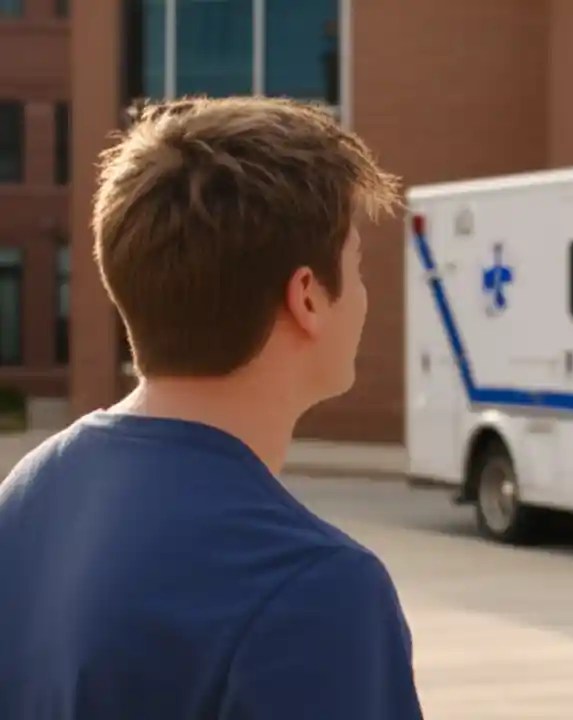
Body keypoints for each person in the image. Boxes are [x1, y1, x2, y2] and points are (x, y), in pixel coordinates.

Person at [0, 96, 422, 719]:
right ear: (307, 296)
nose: (363, 295)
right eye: (356, 266)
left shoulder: (29, 496)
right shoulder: (317, 588)